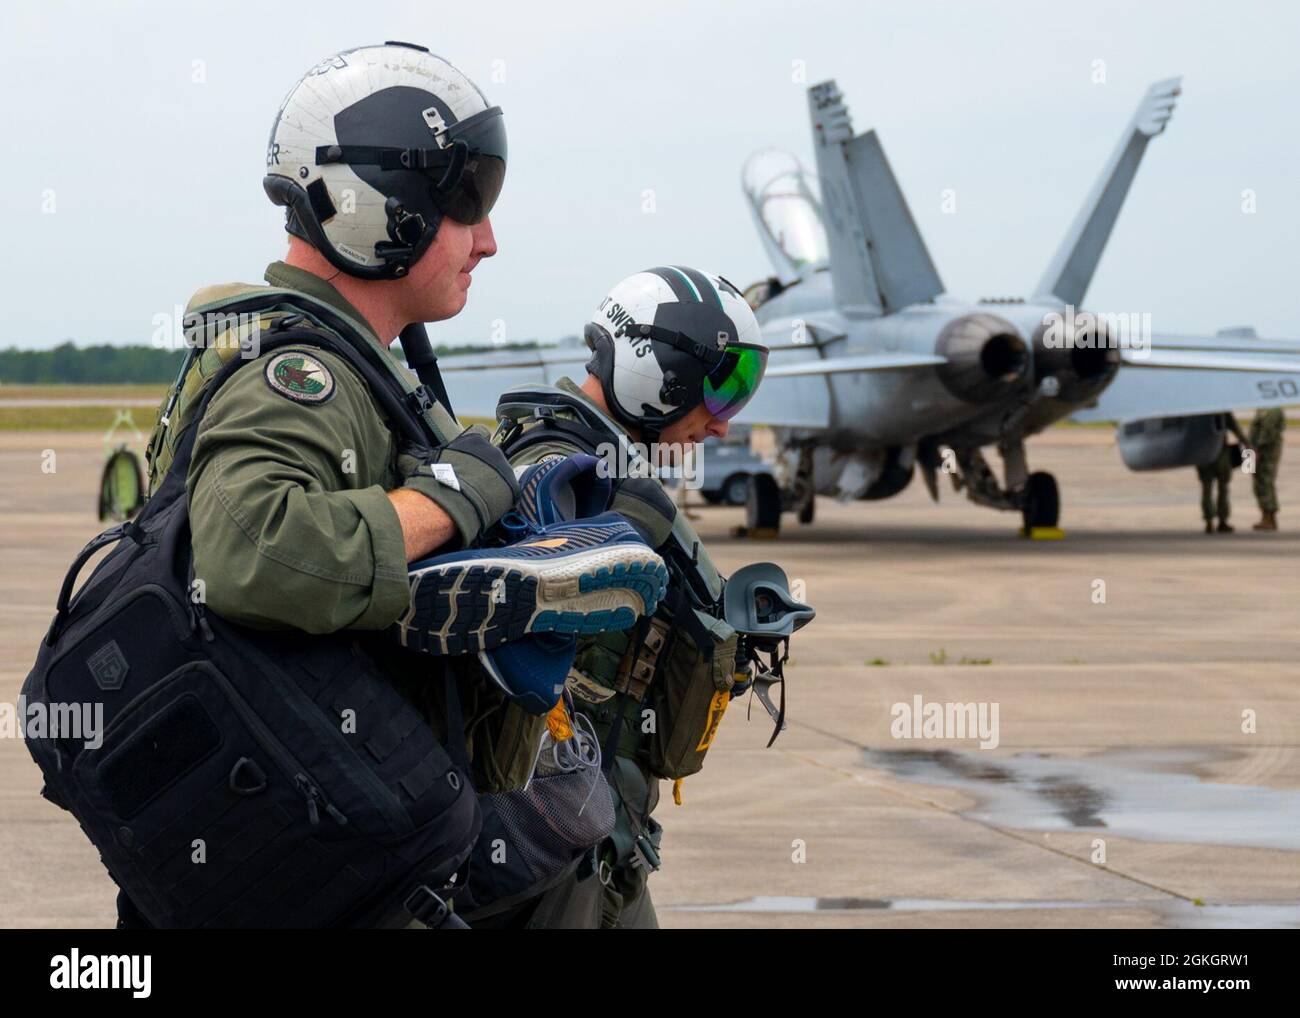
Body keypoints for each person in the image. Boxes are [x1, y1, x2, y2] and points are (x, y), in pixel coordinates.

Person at [119, 42, 661, 928]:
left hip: (342, 857)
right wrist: (451, 500)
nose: (489, 238)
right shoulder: (300, 376)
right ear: (379, 206)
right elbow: (254, 551)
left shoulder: (371, 373)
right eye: (470, 200)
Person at [469, 266, 769, 928]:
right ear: (657, 375)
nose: (722, 427)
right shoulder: (554, 466)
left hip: (604, 833)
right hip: (551, 842)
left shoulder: (617, 473)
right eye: (719, 392)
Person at [1196, 413, 1246, 533]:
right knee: (1222, 488)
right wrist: (1248, 445)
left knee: (1207, 489)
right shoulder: (1222, 410)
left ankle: (1209, 522)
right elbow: (1236, 428)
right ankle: (1222, 521)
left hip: (1203, 454)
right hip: (1220, 454)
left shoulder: (1198, 411)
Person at [1248, 406, 1286, 531]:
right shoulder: (1262, 408)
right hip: (1253, 450)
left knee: (1265, 482)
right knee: (1258, 482)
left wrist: (1257, 449)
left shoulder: (1273, 409)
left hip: (1263, 452)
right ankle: (1266, 517)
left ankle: (1269, 517)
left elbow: (1267, 433)